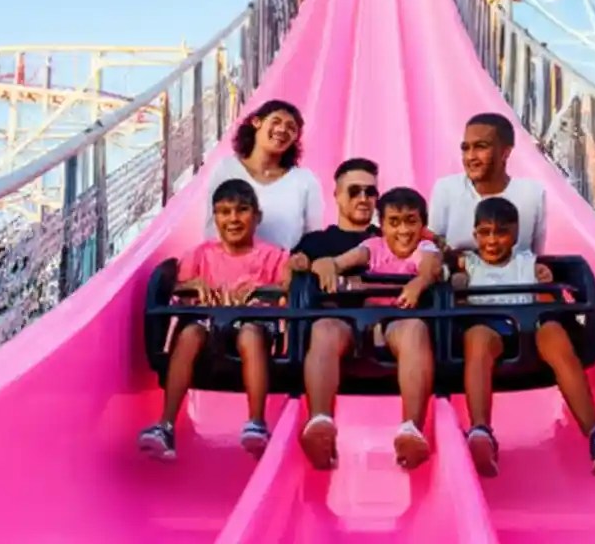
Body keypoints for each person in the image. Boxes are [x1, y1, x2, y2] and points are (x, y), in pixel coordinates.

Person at [452, 197, 595, 477]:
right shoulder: (468, 264)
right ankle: (481, 431)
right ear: (475, 234)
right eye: (485, 232)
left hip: (527, 330)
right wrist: (454, 280)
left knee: (553, 333)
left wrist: (547, 286)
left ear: (515, 234)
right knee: (477, 337)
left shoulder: (528, 264)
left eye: (501, 232)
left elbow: (550, 301)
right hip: (491, 331)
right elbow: (435, 253)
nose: (492, 240)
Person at [140, 179, 292, 462]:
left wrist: (264, 292)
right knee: (189, 334)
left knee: (249, 333)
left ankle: (257, 422)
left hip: (255, 325)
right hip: (209, 328)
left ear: (257, 216)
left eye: (242, 210)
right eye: (224, 212)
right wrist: (191, 288)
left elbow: (292, 284)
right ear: (215, 218)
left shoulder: (272, 256)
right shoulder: (200, 255)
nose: (233, 219)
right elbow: (181, 289)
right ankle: (166, 425)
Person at [303, 187, 441, 471]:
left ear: (422, 225)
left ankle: (411, 428)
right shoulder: (373, 247)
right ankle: (320, 421)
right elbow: (341, 261)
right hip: (362, 323)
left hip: (397, 324)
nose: (403, 230)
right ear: (382, 226)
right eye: (394, 222)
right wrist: (328, 265)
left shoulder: (424, 249)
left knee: (414, 329)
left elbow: (430, 267)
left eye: (411, 221)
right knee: (324, 328)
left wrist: (418, 283)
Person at [205, 99, 323, 250]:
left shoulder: (305, 180)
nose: (282, 130)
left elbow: (313, 236)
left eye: (291, 128)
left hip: (284, 269)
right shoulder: (226, 168)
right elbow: (211, 227)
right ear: (256, 122)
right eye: (276, 121)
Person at [429, 112, 546, 255]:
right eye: (465, 148)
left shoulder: (532, 194)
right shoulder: (446, 189)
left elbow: (536, 257)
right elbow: (431, 249)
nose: (471, 157)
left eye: (481, 147)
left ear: (505, 152)